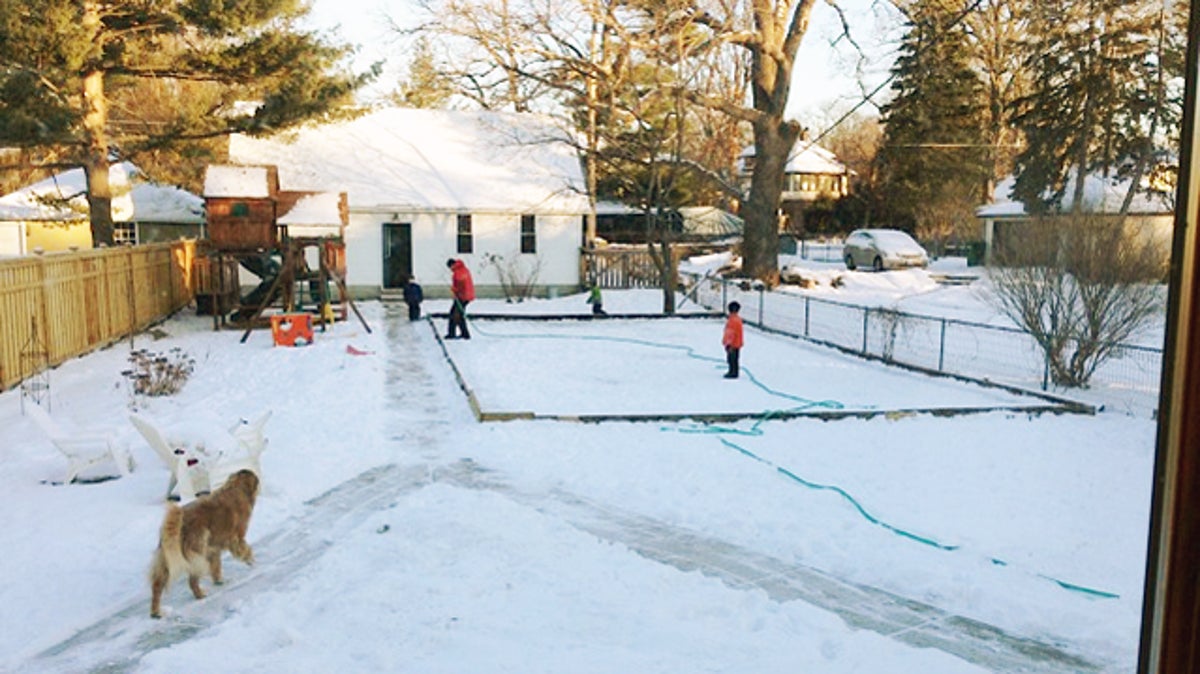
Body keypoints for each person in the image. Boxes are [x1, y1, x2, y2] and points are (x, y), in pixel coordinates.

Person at [445, 258, 475, 339]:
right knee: (459, 315)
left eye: (450, 268)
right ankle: (465, 334)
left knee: (454, 314)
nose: (450, 270)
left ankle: (452, 334)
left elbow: (460, 285)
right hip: (467, 296)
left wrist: (454, 289)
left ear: (452, 265)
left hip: (462, 296)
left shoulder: (458, 272)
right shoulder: (463, 269)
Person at [722, 301, 744, 379]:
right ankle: (734, 372)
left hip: (733, 344)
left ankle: (732, 372)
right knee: (735, 359)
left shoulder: (732, 320)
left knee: (731, 359)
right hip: (737, 343)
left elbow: (730, 333)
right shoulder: (738, 319)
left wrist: (729, 344)